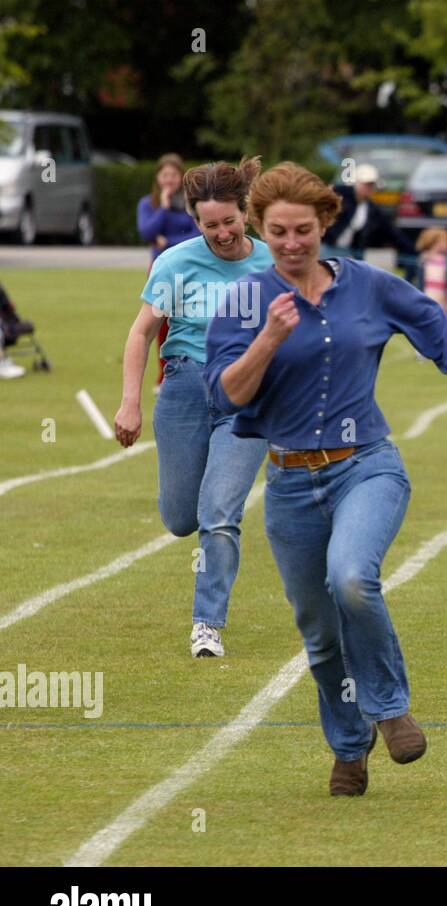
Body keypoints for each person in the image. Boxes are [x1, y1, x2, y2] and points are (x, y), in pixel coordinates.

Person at [204, 162, 447, 797]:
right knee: (318, 629)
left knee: (352, 578)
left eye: (303, 230)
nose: (290, 243)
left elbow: (432, 325)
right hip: (287, 483)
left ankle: (389, 708)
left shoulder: (369, 286)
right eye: (277, 232)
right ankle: (348, 749)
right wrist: (269, 339)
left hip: (367, 464)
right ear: (261, 228)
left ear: (325, 224)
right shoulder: (247, 301)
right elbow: (227, 396)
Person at [114, 157, 273, 659]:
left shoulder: (272, 265)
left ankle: (207, 624)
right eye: (210, 225)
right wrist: (130, 404)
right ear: (195, 220)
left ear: (244, 212)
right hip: (183, 389)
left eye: (229, 221)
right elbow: (140, 334)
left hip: (246, 400)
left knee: (220, 514)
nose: (222, 233)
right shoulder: (175, 264)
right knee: (183, 518)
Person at [137, 154, 202, 385]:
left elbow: (197, 235)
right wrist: (163, 208)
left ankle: (188, 370)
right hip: (161, 272)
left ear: (181, 176)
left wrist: (167, 240)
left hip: (188, 271)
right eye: (165, 175)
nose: (169, 180)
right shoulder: (148, 204)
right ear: (158, 177)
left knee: (187, 320)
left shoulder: (190, 204)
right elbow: (146, 232)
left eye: (174, 175)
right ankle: (163, 374)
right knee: (159, 324)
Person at [321, 163, 417, 261]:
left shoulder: (371, 209)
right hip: (325, 247)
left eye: (372, 184)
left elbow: (391, 231)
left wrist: (414, 252)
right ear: (356, 182)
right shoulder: (339, 195)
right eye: (366, 184)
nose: (368, 188)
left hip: (349, 252)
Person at [414, 227, 447, 313]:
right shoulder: (423, 261)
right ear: (435, 242)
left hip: (443, 302)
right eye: (445, 241)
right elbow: (418, 282)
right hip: (427, 301)